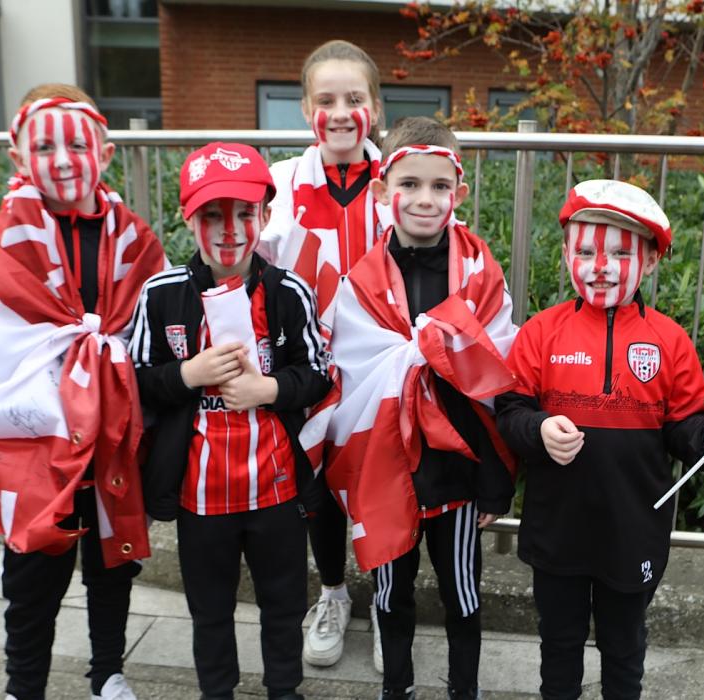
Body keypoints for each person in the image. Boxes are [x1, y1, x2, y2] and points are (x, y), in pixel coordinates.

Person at [0, 84, 167, 700]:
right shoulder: (0, 240)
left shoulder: (136, 240)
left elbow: (147, 327)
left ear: (106, 153)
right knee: (33, 564)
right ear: (18, 157)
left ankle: (107, 673)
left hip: (113, 426)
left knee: (113, 559)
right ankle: (24, 684)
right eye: (44, 145)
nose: (62, 158)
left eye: (77, 143)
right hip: (40, 428)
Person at [494, 179, 704, 699]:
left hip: (634, 526)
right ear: (566, 253)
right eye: (585, 250)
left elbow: (684, 427)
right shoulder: (540, 332)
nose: (601, 265)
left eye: (620, 252)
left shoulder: (671, 340)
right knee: (558, 644)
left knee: (624, 645)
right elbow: (509, 412)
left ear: (651, 261)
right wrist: (539, 429)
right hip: (557, 525)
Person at [325, 116, 519, 700]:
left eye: (439, 186)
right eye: (408, 184)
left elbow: (499, 377)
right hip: (389, 465)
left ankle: (464, 690)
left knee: (462, 589)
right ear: (383, 191)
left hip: (460, 468)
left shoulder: (482, 276)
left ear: (458, 194)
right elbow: (347, 380)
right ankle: (397, 689)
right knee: (390, 591)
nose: (424, 199)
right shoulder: (357, 283)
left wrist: (495, 481)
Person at [128, 142, 331, 700]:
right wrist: (187, 374)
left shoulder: (290, 292)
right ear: (188, 218)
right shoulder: (162, 294)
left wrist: (270, 388)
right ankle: (216, 691)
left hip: (276, 489)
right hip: (200, 495)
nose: (229, 230)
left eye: (245, 213)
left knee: (283, 606)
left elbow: (318, 373)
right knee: (211, 611)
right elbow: (137, 380)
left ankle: (284, 690)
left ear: (265, 215)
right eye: (211, 215)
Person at [258, 38, 391, 670]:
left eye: (355, 99)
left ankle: (391, 602)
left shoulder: (400, 178)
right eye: (326, 100)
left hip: (382, 367)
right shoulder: (280, 183)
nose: (341, 112)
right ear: (306, 108)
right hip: (307, 367)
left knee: (384, 478)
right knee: (315, 486)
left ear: (376, 107)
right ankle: (334, 592)